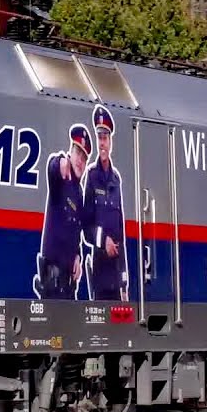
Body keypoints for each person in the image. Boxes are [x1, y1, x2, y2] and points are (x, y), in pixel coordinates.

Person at [34, 123, 91, 299]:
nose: (80, 161)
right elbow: (52, 169)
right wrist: (59, 161)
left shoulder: (79, 192)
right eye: (78, 153)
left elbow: (76, 233)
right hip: (52, 282)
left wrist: (78, 258)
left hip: (68, 287)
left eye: (84, 158)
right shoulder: (61, 176)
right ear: (70, 152)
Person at [82, 104, 128, 301]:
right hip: (100, 271)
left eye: (105, 138)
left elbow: (121, 232)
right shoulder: (91, 177)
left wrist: (124, 281)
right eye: (99, 137)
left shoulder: (116, 179)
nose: (102, 143)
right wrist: (103, 241)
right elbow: (86, 226)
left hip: (117, 273)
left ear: (110, 142)